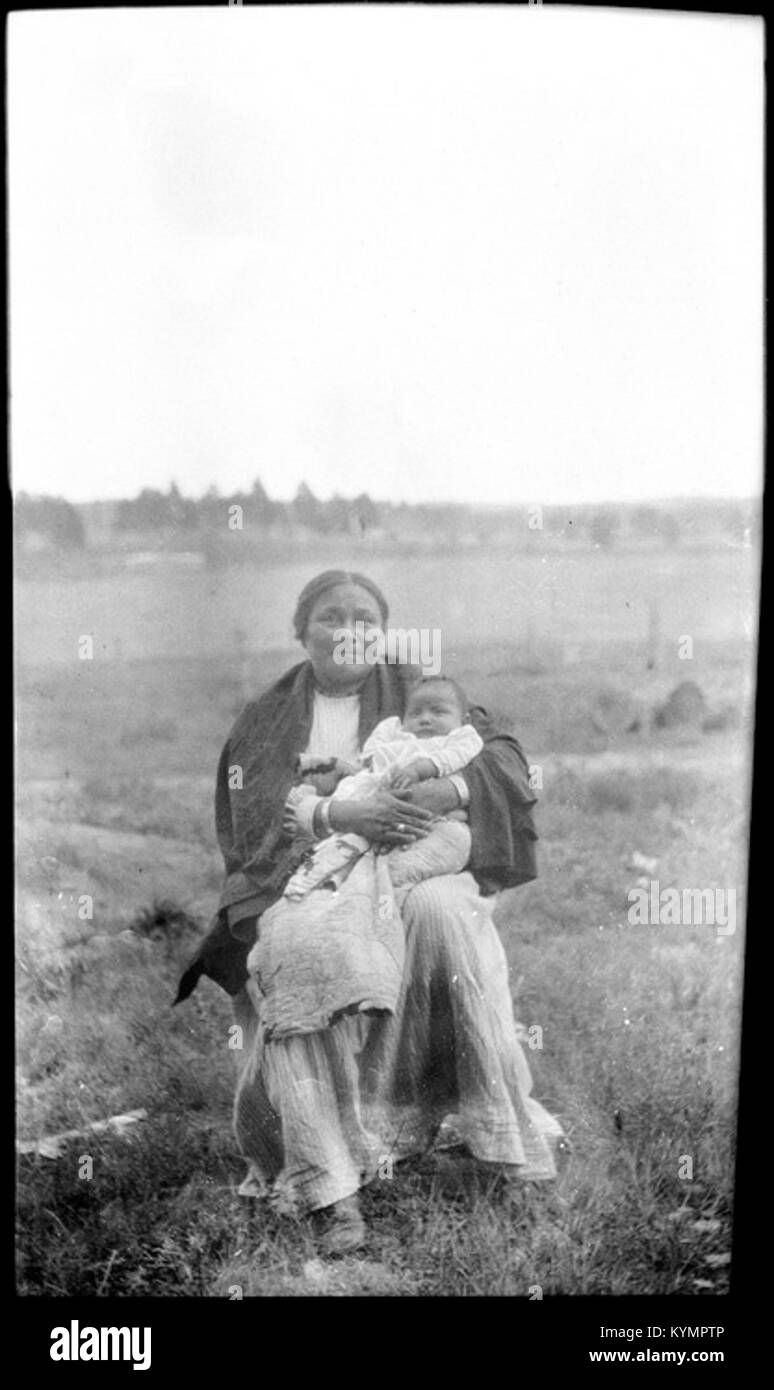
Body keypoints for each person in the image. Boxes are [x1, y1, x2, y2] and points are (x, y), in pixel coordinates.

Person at [176, 569, 564, 1255]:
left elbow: (501, 758)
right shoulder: (266, 719)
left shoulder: (421, 693)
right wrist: (338, 811)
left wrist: (446, 789)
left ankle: (486, 1140)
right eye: (331, 617)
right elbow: (258, 824)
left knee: (444, 911)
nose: (348, 630)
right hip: (318, 872)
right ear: (303, 631)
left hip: (414, 861)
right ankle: (329, 1183)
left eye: (364, 617)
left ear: (381, 633)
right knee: (303, 957)